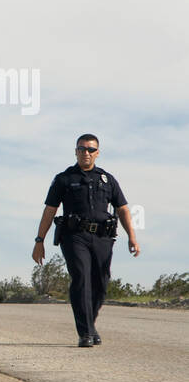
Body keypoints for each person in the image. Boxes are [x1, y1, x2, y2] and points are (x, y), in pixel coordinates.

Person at [32, 134, 140, 346]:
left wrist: (132, 237)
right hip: (74, 237)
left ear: (97, 153)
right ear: (76, 151)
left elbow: (123, 209)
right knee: (81, 277)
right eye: (82, 149)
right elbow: (50, 210)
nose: (86, 153)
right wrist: (39, 240)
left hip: (103, 237)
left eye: (91, 150)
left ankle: (90, 325)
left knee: (100, 283)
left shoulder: (107, 180)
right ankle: (85, 333)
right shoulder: (64, 179)